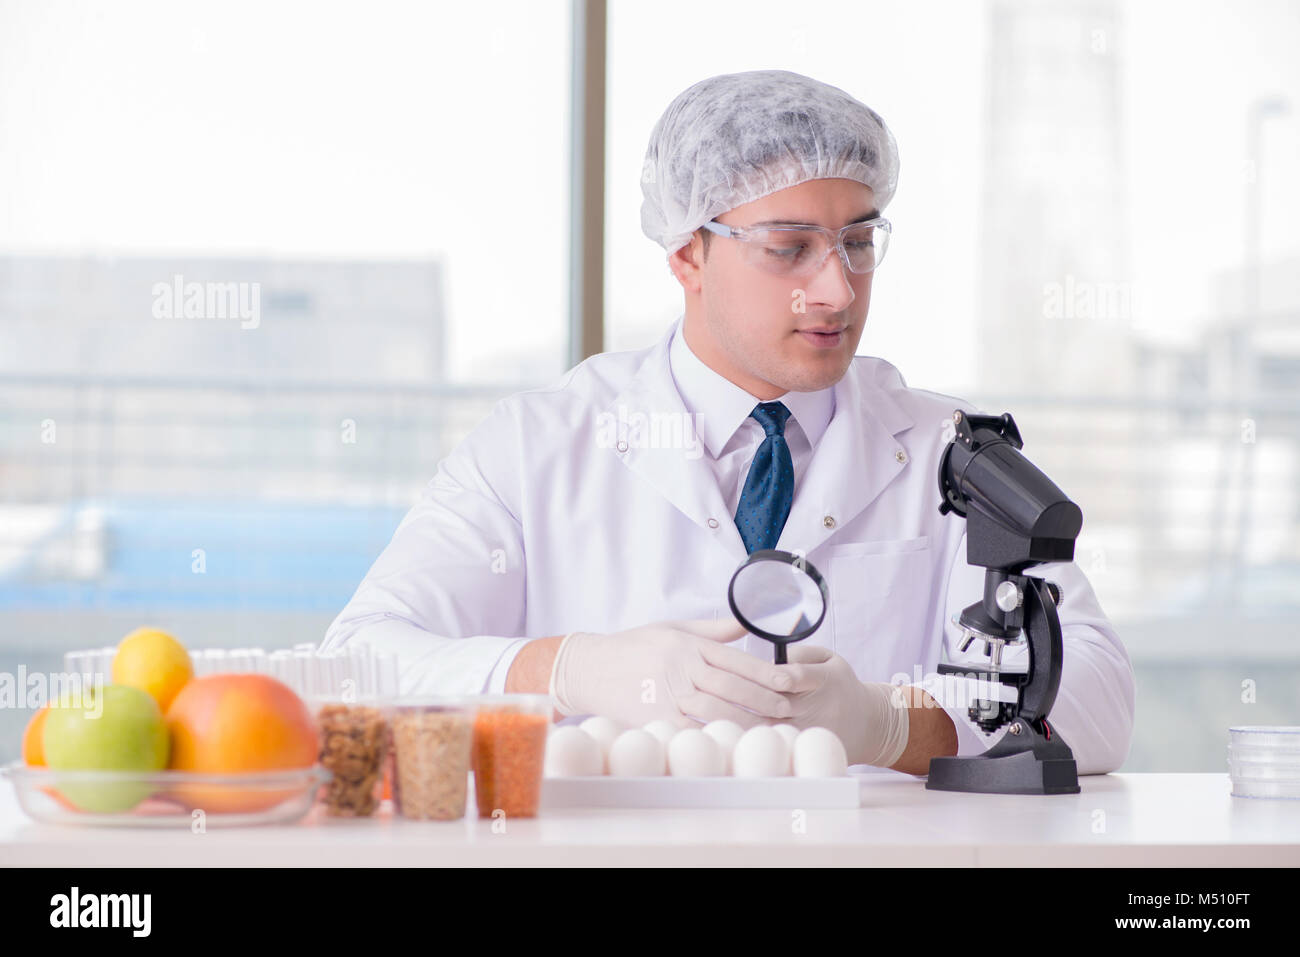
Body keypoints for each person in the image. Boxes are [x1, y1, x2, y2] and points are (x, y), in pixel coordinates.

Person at [322, 69, 1135, 775]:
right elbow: (357, 663)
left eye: (857, 242)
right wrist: (567, 668)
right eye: (790, 248)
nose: (837, 292)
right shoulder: (537, 447)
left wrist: (892, 723)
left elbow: (1098, 694)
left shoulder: (944, 450)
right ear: (687, 253)